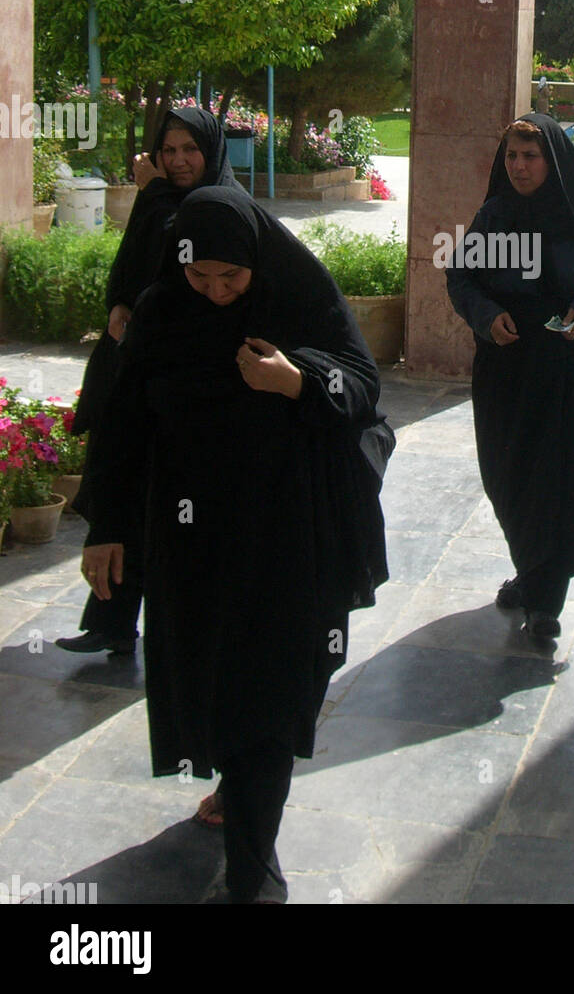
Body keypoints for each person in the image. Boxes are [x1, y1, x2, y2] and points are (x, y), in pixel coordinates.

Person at [79, 188, 394, 902]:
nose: (216, 293)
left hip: (289, 538)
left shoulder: (299, 299)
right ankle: (236, 792)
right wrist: (106, 529)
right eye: (201, 277)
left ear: (258, 262)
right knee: (211, 680)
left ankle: (253, 869)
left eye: (232, 278)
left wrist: (297, 381)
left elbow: (363, 384)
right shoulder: (161, 314)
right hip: (191, 543)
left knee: (274, 695)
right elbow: (123, 428)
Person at [446, 115, 574, 639]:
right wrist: (486, 316)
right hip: (507, 369)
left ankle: (544, 598)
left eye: (530, 156)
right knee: (509, 478)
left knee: (560, 484)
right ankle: (532, 569)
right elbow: (461, 274)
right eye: (511, 156)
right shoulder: (494, 216)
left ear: (551, 160)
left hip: (569, 373)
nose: (519, 166)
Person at [58, 107, 245, 657]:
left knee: (175, 508)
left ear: (211, 151)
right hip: (138, 374)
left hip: (191, 388)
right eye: (170, 150)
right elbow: (131, 267)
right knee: (123, 492)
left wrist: (155, 192)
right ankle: (111, 619)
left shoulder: (222, 204)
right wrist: (120, 305)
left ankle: (182, 633)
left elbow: (177, 249)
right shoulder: (158, 198)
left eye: (190, 149)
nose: (180, 160)